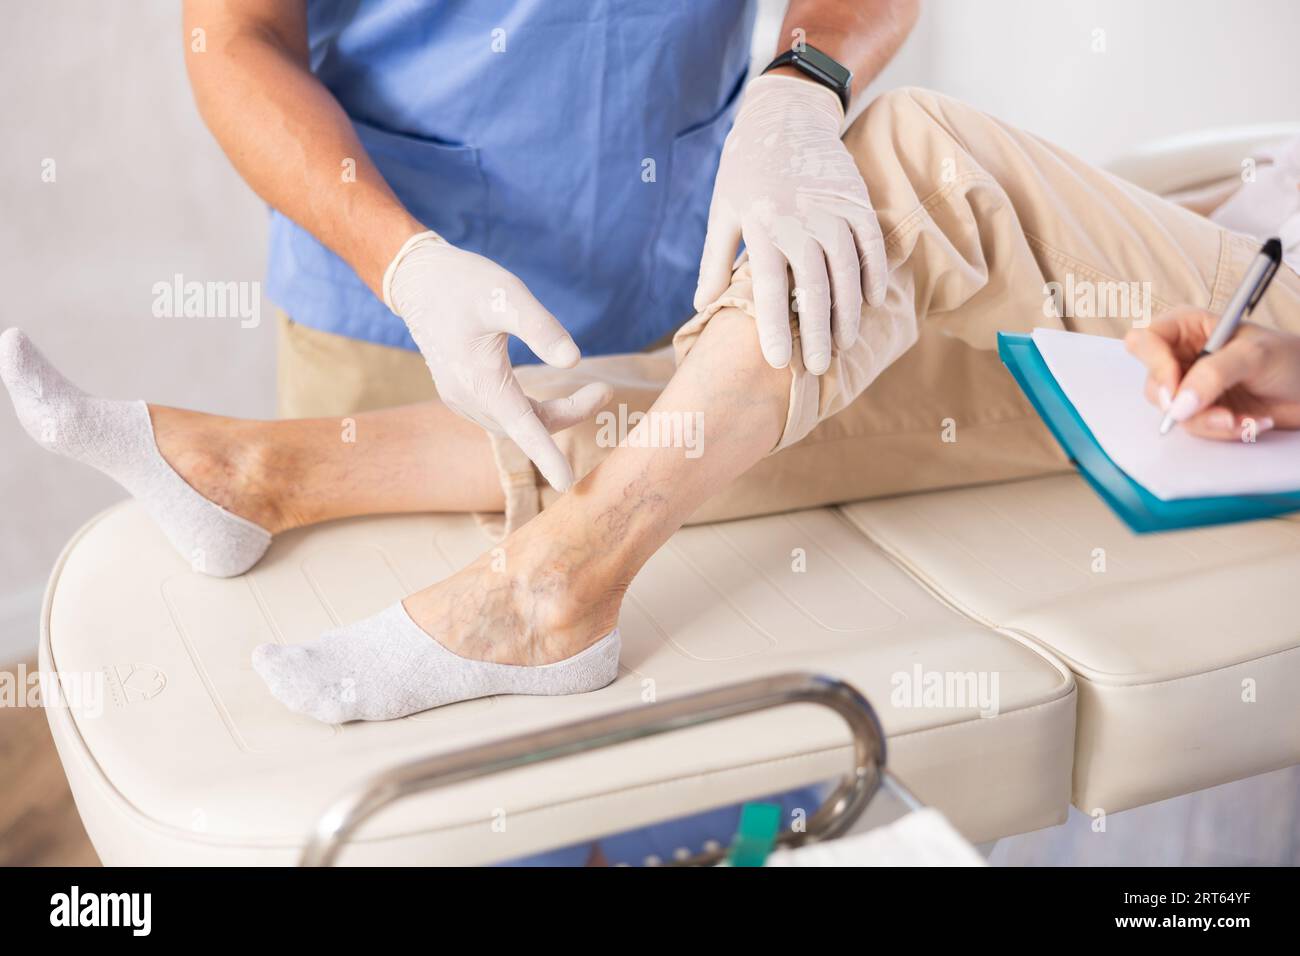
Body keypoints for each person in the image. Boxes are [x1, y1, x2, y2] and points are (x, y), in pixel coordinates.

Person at [7, 88, 1300, 723]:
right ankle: (258, 474)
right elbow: (233, 36)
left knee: (913, 164)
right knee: (775, 379)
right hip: (1258, 260)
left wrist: (800, 84)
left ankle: (551, 590)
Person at [182, 0, 919, 492]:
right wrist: (404, 266)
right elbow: (236, 35)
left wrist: (802, 85)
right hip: (387, 302)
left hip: (681, 285)